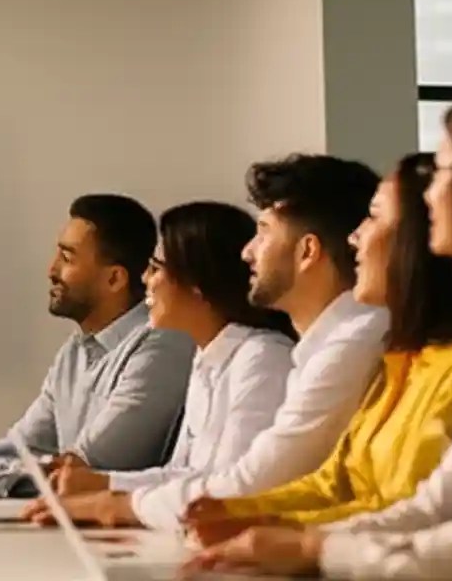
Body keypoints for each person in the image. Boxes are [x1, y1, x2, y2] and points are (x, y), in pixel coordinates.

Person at [181, 80, 452, 579]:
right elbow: (427, 503)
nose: (355, 235)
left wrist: (311, 547)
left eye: (446, 172)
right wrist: (270, 525)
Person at [56, 154, 387, 532]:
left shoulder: (320, 349)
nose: (248, 252)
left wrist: (115, 502)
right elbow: (198, 475)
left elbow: (246, 486)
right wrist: (111, 491)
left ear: (307, 251)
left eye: (263, 232)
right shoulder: (313, 349)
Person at [0, 194, 195, 492]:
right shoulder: (76, 349)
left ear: (114, 279)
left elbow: (88, 466)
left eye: (67, 257)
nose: (51, 269)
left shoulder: (161, 345)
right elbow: (24, 446)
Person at [18, 201, 296, 527]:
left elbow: (230, 490)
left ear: (197, 286)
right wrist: (105, 483)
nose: (146, 279)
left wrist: (111, 501)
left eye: (156, 267)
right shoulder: (207, 357)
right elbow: (184, 472)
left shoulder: (261, 359)